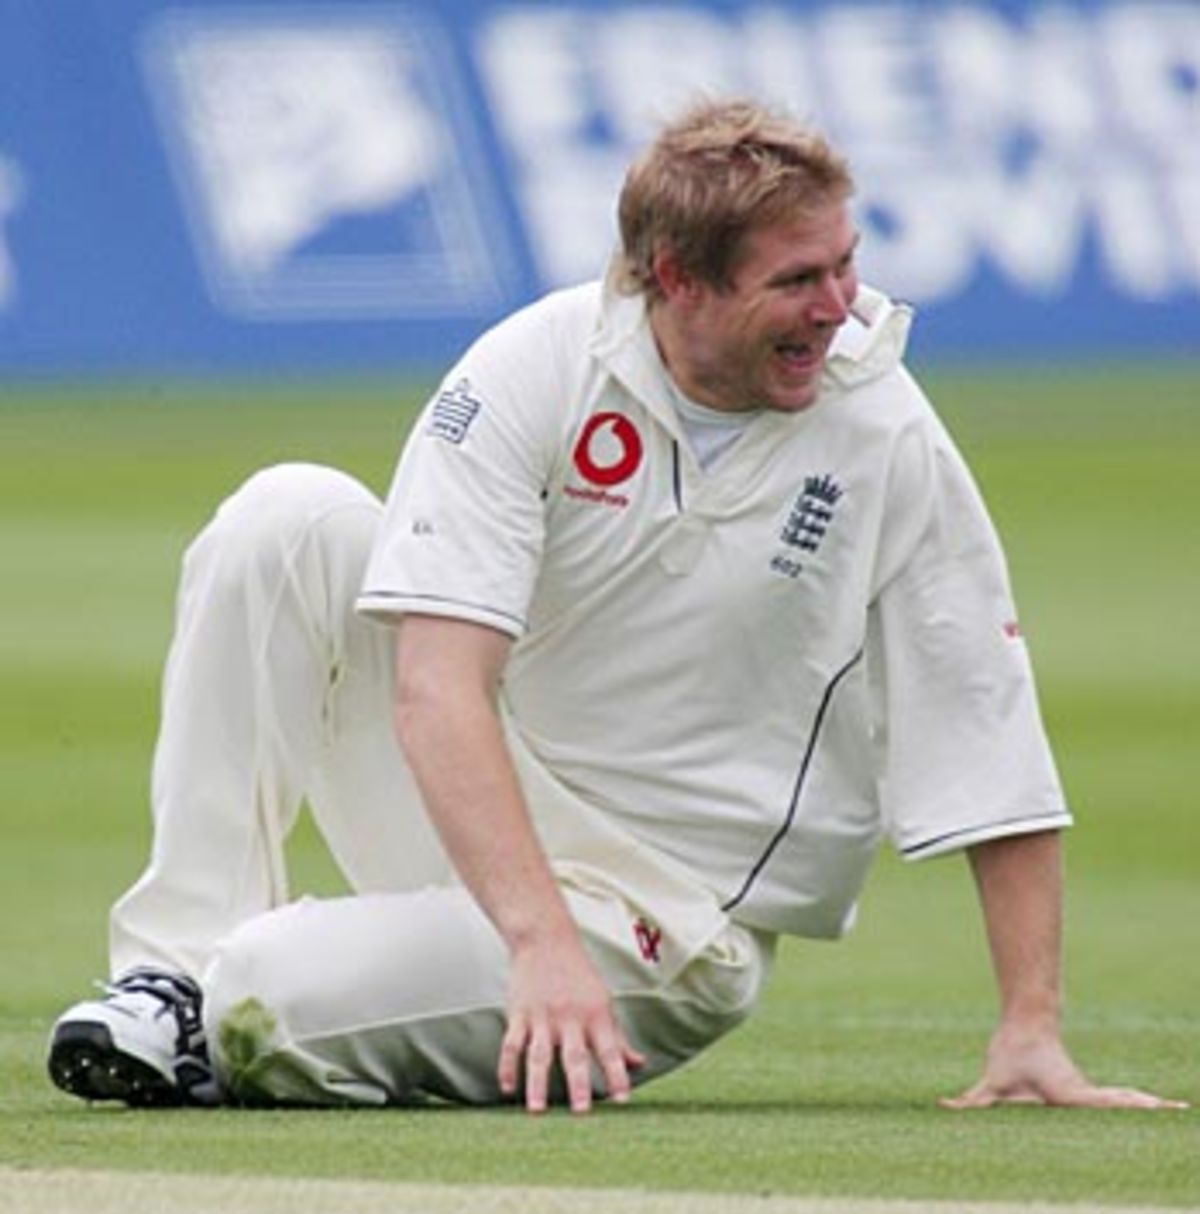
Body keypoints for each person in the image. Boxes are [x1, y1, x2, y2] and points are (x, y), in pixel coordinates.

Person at [47, 98, 1183, 1115]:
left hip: (667, 922)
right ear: (674, 276)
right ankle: (171, 971)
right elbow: (440, 683)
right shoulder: (533, 367)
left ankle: (226, 1001)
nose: (843, 307)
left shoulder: (883, 425)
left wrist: (1030, 1024)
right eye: (798, 280)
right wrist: (530, 933)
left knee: (264, 990)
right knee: (286, 516)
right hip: (497, 826)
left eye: (846, 263)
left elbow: (984, 710)